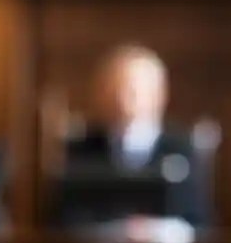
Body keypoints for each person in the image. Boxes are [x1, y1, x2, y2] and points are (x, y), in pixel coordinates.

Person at [59, 44, 210, 229]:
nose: (122, 100)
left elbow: (198, 222)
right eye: (114, 89)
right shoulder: (81, 148)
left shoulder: (182, 148)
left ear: (159, 94)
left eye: (132, 91)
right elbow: (63, 220)